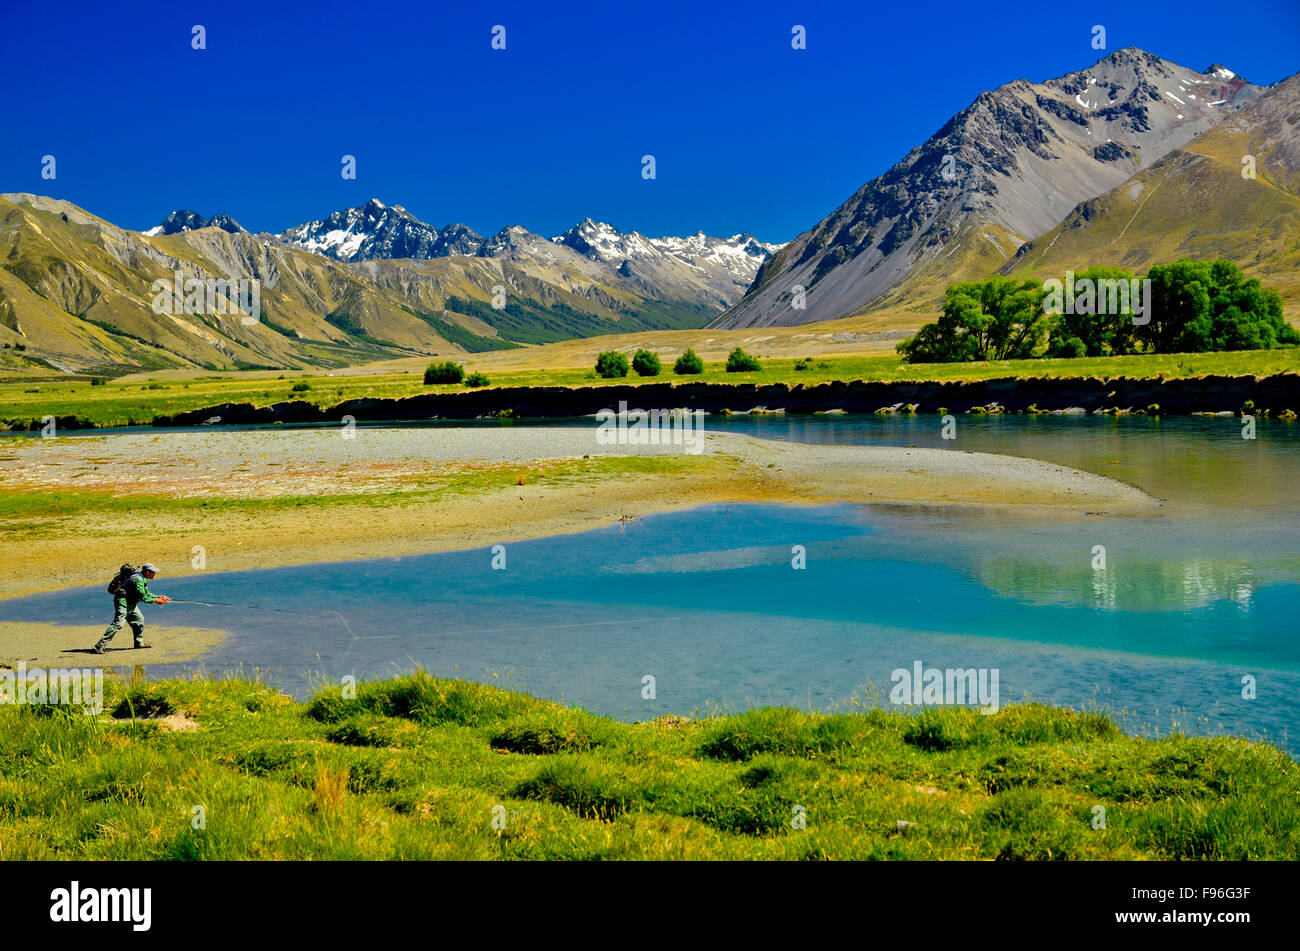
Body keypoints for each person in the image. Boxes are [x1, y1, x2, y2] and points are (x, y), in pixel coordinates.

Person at [93, 563, 171, 654]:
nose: (155, 574)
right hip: (123, 603)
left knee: (139, 620)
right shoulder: (138, 579)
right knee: (119, 623)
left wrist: (159, 597)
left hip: (131, 603)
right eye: (153, 572)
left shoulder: (142, 578)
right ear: (148, 572)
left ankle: (139, 644)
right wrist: (156, 600)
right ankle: (99, 646)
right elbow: (143, 597)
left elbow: (146, 593)